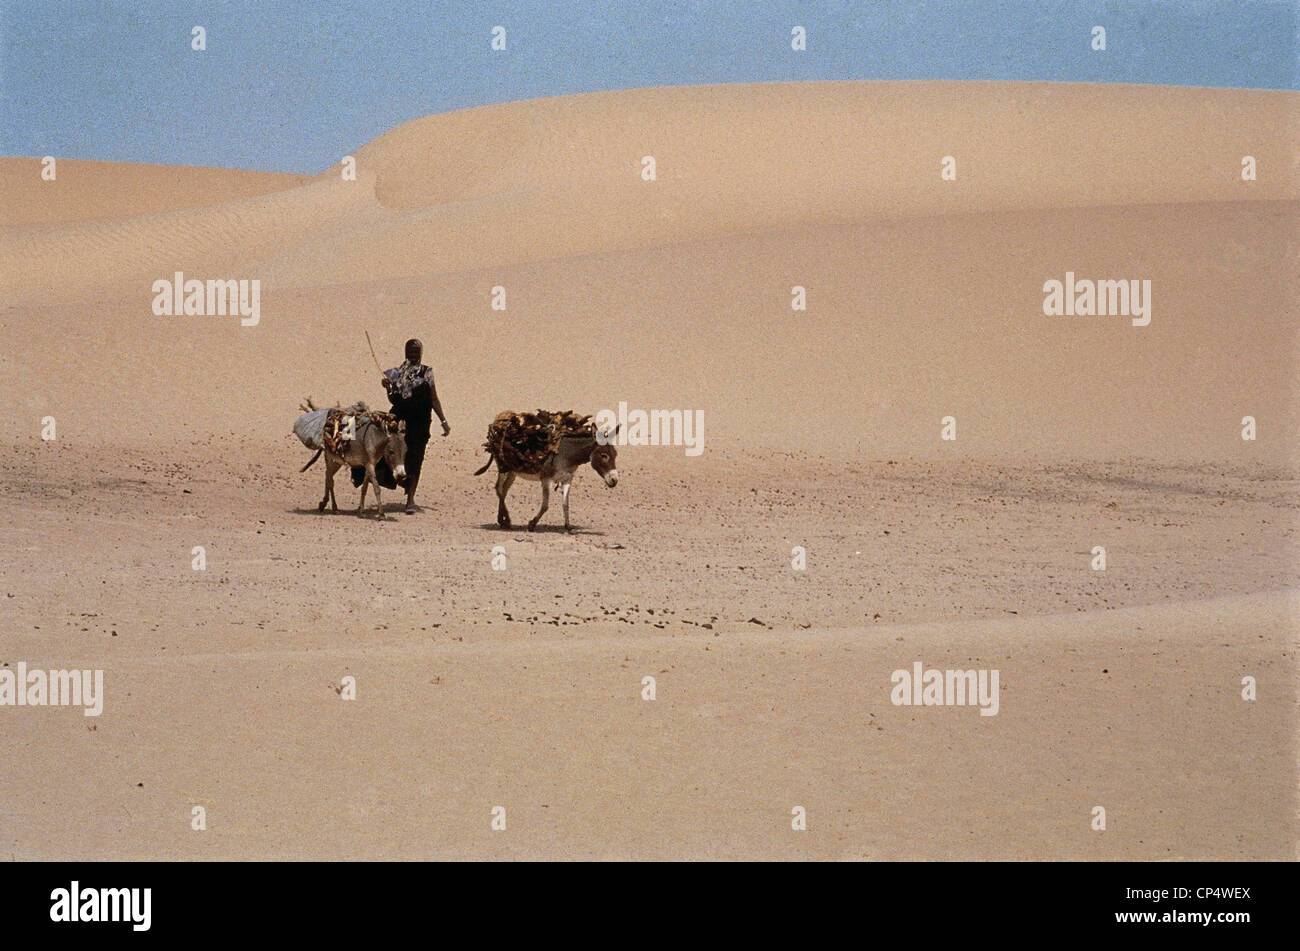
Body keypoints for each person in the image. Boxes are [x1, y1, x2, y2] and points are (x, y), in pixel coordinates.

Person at [376, 338, 450, 513]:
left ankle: (410, 500)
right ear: (405, 352)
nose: (413, 354)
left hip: (419, 422)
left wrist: (443, 421)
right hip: (399, 419)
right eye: (410, 351)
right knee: (389, 452)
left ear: (421, 353)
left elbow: (433, 398)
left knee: (416, 458)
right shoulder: (396, 374)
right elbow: (394, 399)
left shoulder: (426, 372)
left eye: (416, 351)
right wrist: (388, 388)